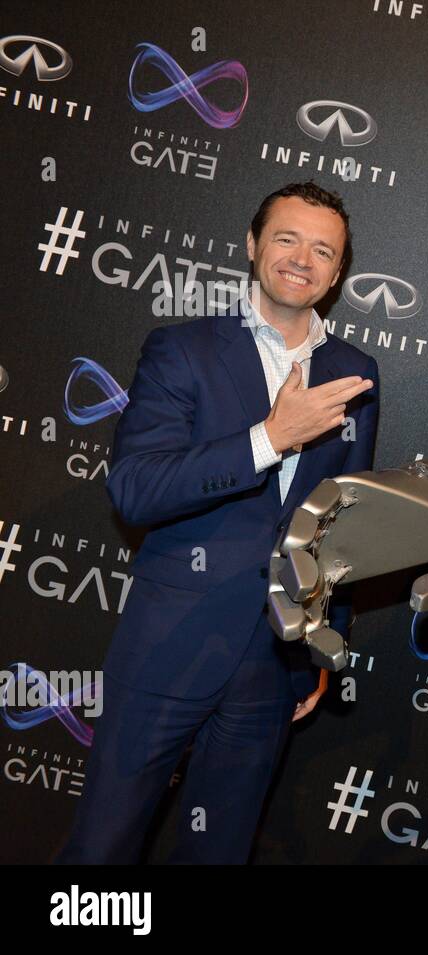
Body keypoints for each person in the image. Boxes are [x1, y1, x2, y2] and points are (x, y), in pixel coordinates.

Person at [57, 181, 379, 863]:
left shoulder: (354, 374)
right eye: (287, 238)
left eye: (323, 249)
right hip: (168, 647)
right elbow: (137, 490)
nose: (302, 258)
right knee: (100, 851)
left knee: (218, 853)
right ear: (252, 245)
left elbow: (343, 528)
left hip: (273, 660)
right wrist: (268, 438)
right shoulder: (183, 350)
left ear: (338, 271)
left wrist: (322, 646)